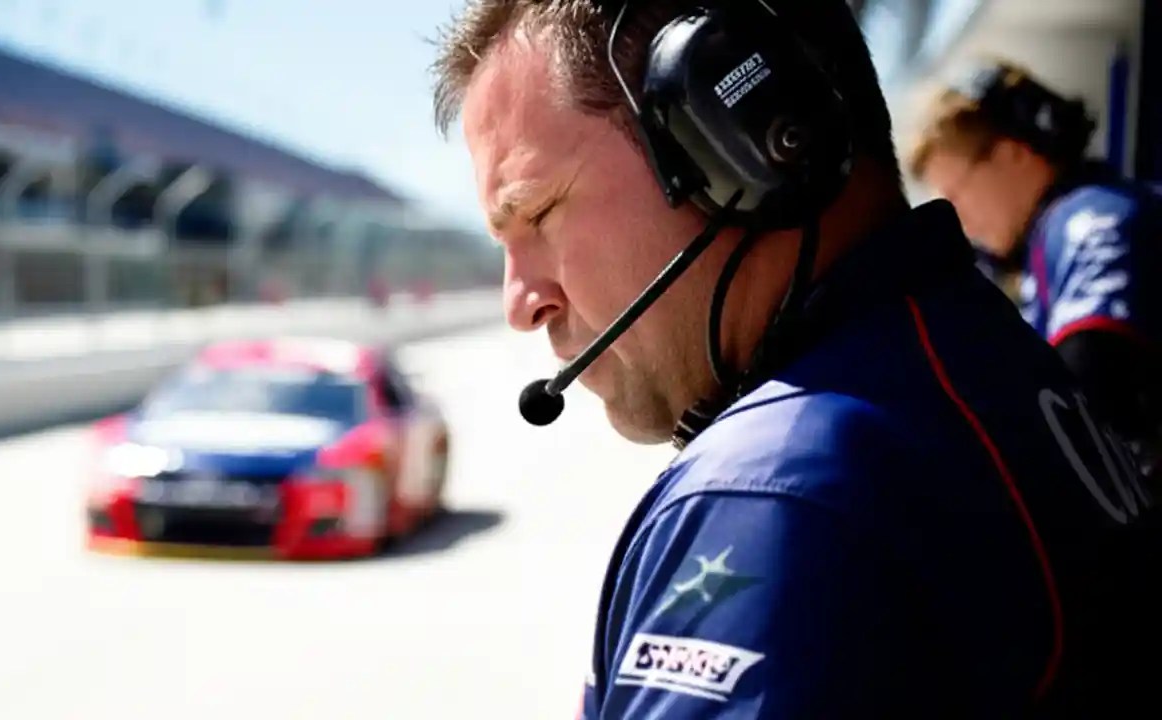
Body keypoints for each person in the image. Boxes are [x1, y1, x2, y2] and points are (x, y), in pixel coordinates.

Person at [431, 1, 1162, 717]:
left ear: (742, 140)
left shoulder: (777, 494)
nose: (519, 301)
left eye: (538, 212)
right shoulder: (982, 357)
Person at [909, 59, 1162, 475]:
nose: (959, 219)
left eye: (956, 193)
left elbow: (1093, 388)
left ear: (1012, 155)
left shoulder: (1090, 220)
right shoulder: (1049, 244)